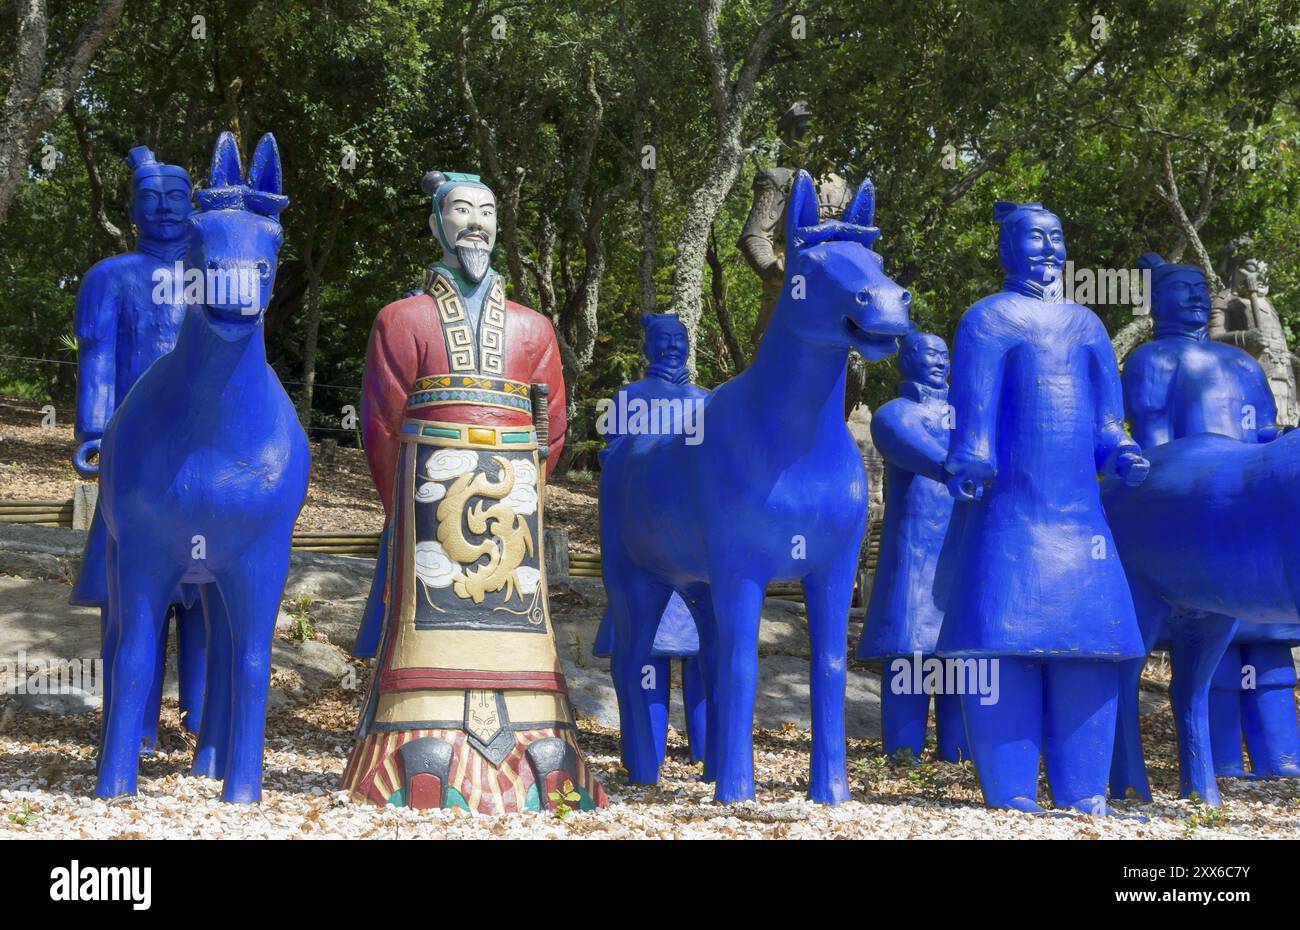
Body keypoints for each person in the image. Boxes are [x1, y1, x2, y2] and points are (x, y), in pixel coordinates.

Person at [342, 171, 605, 812]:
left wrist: (525, 486)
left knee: (521, 625)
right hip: (427, 505)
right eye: (461, 210)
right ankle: (420, 748)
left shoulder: (534, 328)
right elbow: (382, 424)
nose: (477, 223)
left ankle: (542, 753)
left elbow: (554, 426)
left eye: (487, 212)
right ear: (436, 223)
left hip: (512, 509)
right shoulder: (399, 321)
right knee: (426, 621)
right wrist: (405, 509)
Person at [939, 201, 1149, 813]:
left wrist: (1123, 452)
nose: (1049, 249)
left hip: (1082, 524)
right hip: (1011, 517)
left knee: (1090, 647)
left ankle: (1084, 790)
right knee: (1003, 646)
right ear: (1006, 247)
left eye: (1056, 238)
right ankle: (1011, 794)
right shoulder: (987, 319)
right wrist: (970, 462)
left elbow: (1108, 423)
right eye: (1034, 238)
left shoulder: (1088, 326)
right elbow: (973, 421)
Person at [1122, 252, 1299, 780]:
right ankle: (1218, 761)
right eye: (1181, 289)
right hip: (1196, 518)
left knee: (1266, 658)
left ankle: (1280, 758)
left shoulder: (1243, 365)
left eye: (1201, 288)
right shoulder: (1151, 360)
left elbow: (1265, 433)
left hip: (1256, 511)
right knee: (1212, 660)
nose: (1196, 297)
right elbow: (1155, 444)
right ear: (1156, 302)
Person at [70, 146, 205, 742]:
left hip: (207, 455)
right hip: (135, 456)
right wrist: (94, 431)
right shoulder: (111, 277)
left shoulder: (217, 275)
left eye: (176, 197)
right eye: (151, 197)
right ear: (132, 208)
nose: (165, 209)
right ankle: (131, 725)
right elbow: (98, 359)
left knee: (208, 589)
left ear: (193, 205)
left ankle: (204, 718)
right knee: (129, 596)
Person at [592, 313, 710, 763]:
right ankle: (647, 752)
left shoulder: (706, 401)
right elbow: (616, 462)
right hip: (647, 539)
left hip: (697, 541)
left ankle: (707, 751)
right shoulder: (632, 396)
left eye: (679, 338)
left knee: (704, 654)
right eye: (662, 338)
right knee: (651, 653)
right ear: (648, 347)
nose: (672, 346)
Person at [857, 331, 967, 762]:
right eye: (927, 353)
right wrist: (957, 469)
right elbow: (917, 449)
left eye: (943, 353)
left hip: (962, 544)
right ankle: (904, 753)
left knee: (960, 653)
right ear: (907, 361)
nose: (938, 360)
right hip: (916, 548)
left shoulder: (967, 414)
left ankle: (958, 753)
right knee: (910, 648)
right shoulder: (896, 413)